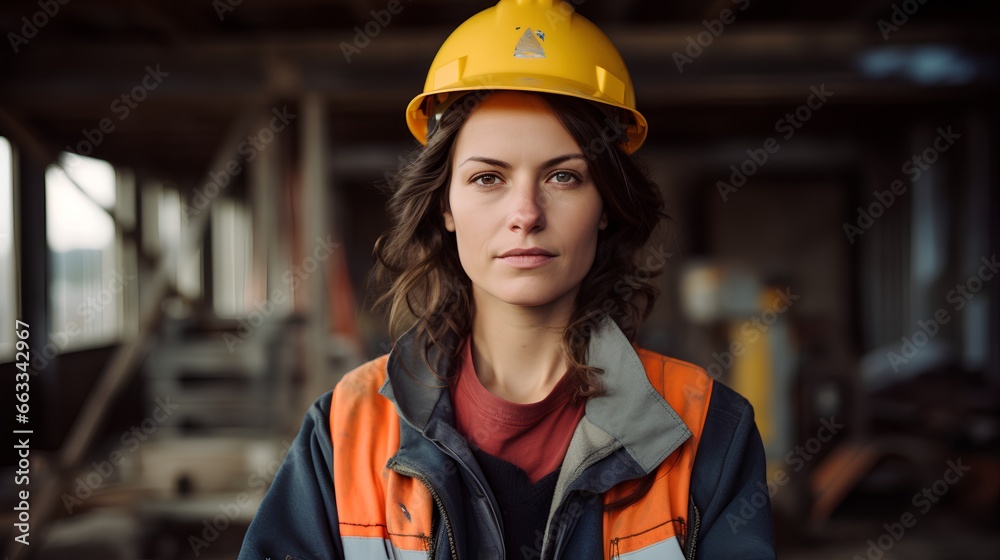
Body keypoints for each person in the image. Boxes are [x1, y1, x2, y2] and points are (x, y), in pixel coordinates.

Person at [239, 1, 775, 558]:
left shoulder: (709, 427)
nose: (526, 213)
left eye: (564, 176)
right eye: (488, 177)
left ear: (607, 205)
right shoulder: (346, 428)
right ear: (445, 206)